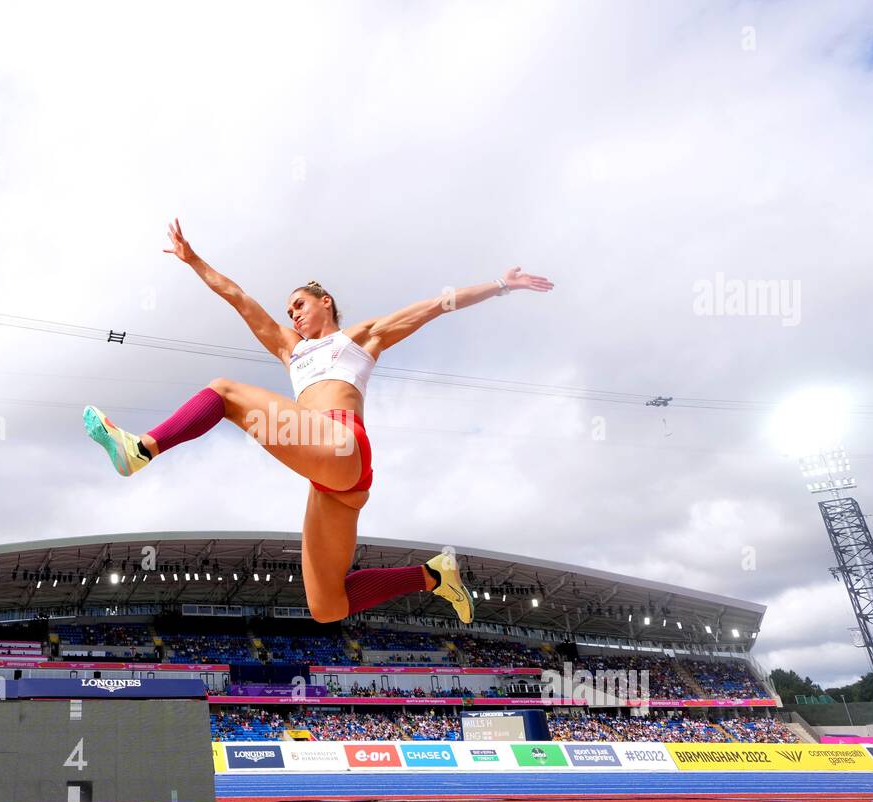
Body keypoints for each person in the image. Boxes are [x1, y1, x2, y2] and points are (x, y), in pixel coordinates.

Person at [83, 218, 553, 625]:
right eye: (289, 311)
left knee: (224, 392)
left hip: (343, 442)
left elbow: (436, 304)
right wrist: (193, 260)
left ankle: (140, 449)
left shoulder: (362, 337)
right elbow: (240, 298)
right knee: (328, 605)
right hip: (333, 478)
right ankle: (433, 576)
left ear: (325, 301)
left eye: (300, 305)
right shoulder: (291, 350)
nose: (293, 315)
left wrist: (502, 284)